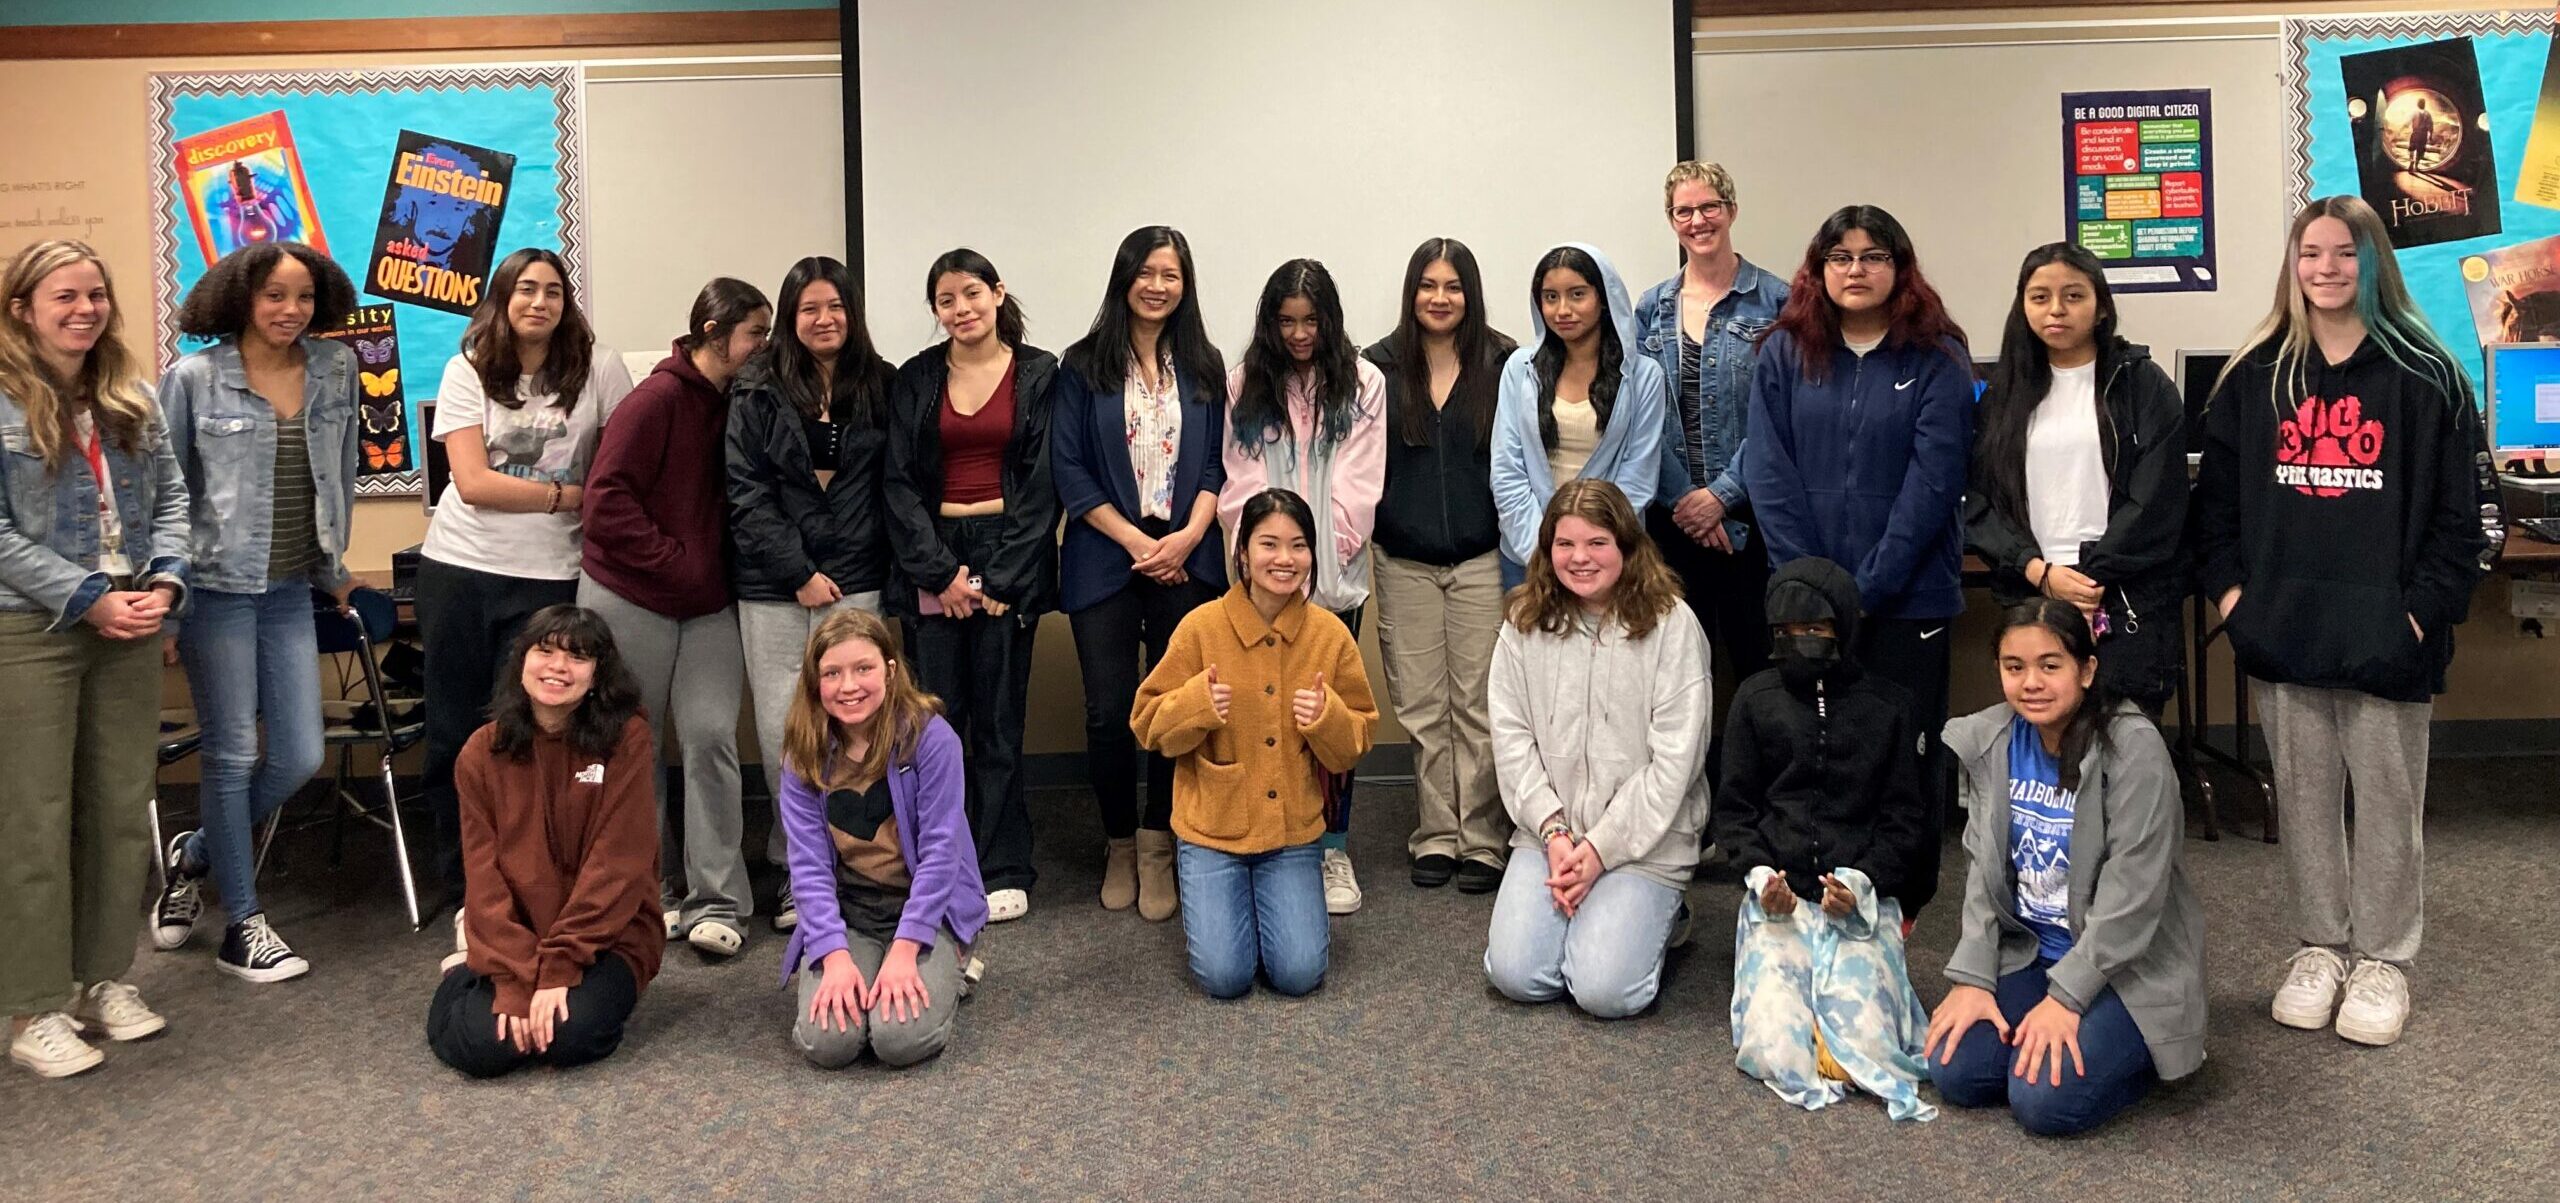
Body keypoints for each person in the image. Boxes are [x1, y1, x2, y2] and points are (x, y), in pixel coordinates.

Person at [2192, 196, 2497, 1047]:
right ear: (2292, 265)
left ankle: (2384, 958)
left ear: (2375, 263)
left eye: (2345, 253)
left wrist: (2416, 615)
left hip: (2386, 638)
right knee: (2306, 801)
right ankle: (2321, 946)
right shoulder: (2255, 374)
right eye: (2310, 254)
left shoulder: (2428, 372)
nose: (2326, 269)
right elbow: (2212, 510)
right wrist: (2234, 605)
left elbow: (2459, 520)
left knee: (2390, 805)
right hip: (2282, 632)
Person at [1745, 204, 1971, 914]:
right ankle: (1816, 890)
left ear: (1900, 268)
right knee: (1814, 747)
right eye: (1840, 256)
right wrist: (1812, 590)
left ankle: (1900, 900)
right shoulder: (1783, 352)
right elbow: (1768, 473)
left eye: (1873, 255)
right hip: (1807, 603)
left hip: (1910, 600)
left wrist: (1863, 590)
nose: (1856, 269)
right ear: (1818, 269)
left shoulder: (1938, 357)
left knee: (1903, 754)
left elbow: (1933, 485)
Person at [0, 240, 188, 1079]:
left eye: (96, 294)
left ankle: (101, 979)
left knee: (120, 807)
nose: (85, 308)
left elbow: (176, 501)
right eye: (65, 295)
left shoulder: (130, 394)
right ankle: (34, 1003)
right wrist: (85, 595)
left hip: (132, 618)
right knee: (35, 817)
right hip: (29, 628)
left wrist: (168, 584)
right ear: (22, 308)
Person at [152, 241, 363, 982]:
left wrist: (334, 567)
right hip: (213, 589)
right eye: (276, 295)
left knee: (301, 754)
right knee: (234, 753)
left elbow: (340, 471)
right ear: (243, 297)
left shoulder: (337, 368)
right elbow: (166, 494)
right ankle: (243, 920)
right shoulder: (194, 378)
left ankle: (196, 852)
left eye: (304, 296)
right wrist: (169, 608)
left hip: (287, 592)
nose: (291, 310)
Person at [1926, 600, 2206, 1134]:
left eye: (2050, 665)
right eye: (2014, 667)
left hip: (2124, 968)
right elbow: (1984, 878)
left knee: (2044, 1103)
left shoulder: (2134, 749)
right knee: (1955, 1070)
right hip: (2033, 954)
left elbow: (2134, 897)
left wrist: (2067, 999)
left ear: (2087, 669)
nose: (2031, 682)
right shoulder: (1995, 741)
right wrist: (1974, 979)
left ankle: (2149, 1051)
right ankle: (2069, 1045)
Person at [416, 247, 635, 918]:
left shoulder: (601, 371)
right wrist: (565, 497)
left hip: (550, 578)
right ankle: (465, 886)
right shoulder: (466, 369)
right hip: (460, 569)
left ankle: (539, 877)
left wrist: (584, 497)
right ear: (503, 300)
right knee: (457, 730)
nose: (539, 301)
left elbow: (623, 461)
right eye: (526, 290)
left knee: (541, 733)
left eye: (553, 291)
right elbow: (473, 482)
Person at [578, 277, 768, 946]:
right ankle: (647, 890)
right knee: (635, 742)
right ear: (714, 335)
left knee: (712, 735)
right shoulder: (654, 400)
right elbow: (604, 503)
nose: (763, 347)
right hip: (632, 595)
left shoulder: (741, 402)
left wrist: (702, 573)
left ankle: (717, 900)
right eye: (755, 335)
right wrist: (676, 562)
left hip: (707, 602)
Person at [1132, 489, 1377, 999]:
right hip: (1211, 833)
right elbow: (1146, 722)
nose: (1284, 560)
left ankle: (1273, 904)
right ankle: (1220, 894)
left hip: (1292, 834)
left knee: (1299, 975)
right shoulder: (1201, 628)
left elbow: (1358, 737)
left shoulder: (1330, 636)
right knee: (1224, 978)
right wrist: (1196, 705)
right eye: (1269, 544)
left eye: (1298, 546)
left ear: (1312, 554)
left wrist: (1327, 717)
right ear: (1242, 552)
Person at [1052, 226, 1227, 923]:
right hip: (1106, 556)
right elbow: (1068, 467)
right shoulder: (1082, 363)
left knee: (1179, 710)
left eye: (1172, 274)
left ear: (1186, 285)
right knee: (1108, 711)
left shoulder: (1205, 363)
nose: (1159, 285)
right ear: (1125, 277)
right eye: (1147, 271)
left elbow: (1217, 465)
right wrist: (1136, 540)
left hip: (1187, 557)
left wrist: (1184, 537)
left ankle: (1161, 841)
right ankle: (1119, 842)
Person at [1482, 479, 1708, 1020]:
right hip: (1551, 836)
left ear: (1627, 546)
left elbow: (1675, 765)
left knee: (1605, 993)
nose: (1580, 558)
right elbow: (1511, 741)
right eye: (1565, 544)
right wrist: (1555, 832)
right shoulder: (1523, 624)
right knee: (1516, 976)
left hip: (1643, 839)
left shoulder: (1671, 626)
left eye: (1597, 543)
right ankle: (1594, 915)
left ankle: (1664, 917)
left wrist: (1602, 849)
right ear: (1546, 550)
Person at [1719, 557, 1934, 1119]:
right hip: (1779, 899)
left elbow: (1905, 820)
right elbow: (1736, 810)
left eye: (1815, 630)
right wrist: (1763, 877)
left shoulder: (1890, 706)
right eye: (1786, 633)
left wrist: (1862, 883)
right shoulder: (1753, 698)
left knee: (1869, 1048)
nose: (1801, 641)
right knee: (1773, 1048)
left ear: (1843, 626)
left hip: (1857, 896)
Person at [725, 255, 897, 950]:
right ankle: (799, 872)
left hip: (857, 579)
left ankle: (852, 866)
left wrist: (837, 574)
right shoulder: (756, 387)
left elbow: (890, 484)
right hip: (772, 586)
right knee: (781, 733)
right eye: (809, 309)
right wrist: (797, 570)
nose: (824, 320)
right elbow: (745, 491)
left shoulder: (882, 384)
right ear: (790, 319)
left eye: (836, 307)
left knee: (852, 728)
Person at [884, 249, 1059, 922]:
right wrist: (942, 574)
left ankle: (1004, 861)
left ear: (997, 293)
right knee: (934, 721)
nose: (961, 309)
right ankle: (940, 859)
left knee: (998, 719)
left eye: (971, 294)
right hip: (935, 554)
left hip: (1008, 552)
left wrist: (1003, 578)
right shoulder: (917, 379)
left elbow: (1044, 485)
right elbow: (897, 483)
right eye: (946, 299)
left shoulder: (1040, 373)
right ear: (935, 310)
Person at [429, 606, 662, 1079]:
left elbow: (618, 866)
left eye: (577, 657)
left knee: (570, 1037)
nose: (558, 667)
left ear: (597, 676)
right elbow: (483, 875)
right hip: (515, 934)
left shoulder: (627, 740)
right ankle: (462, 974)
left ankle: (511, 976)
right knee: (484, 1050)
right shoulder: (480, 752)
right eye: (545, 651)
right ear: (522, 662)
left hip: (607, 936)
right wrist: (514, 977)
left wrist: (559, 966)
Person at [1218, 259, 1385, 916]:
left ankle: (1332, 846)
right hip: (1262, 584)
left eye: (1310, 320)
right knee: (1263, 713)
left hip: (1336, 583)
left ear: (1329, 319)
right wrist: (1270, 565)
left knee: (1329, 718)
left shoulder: (1363, 382)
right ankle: (1271, 838)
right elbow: (1241, 481)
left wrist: (1313, 564)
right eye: (1286, 321)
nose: (1298, 333)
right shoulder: (1244, 383)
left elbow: (1360, 485)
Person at [1964, 242, 2187, 712]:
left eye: (2073, 295)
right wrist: (2038, 572)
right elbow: (1979, 500)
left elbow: (2157, 501)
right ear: (2022, 306)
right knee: (2045, 752)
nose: (2056, 310)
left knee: (2125, 750)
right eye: (2040, 297)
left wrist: (2086, 580)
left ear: (2101, 307)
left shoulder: (2142, 385)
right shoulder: (2002, 395)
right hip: (2032, 593)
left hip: (2123, 597)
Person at [1364, 238, 1517, 893]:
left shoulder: (1507, 362)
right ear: (1412, 290)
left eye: (1453, 285)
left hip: (1483, 560)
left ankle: (1482, 839)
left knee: (1480, 705)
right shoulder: (1377, 367)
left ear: (1470, 292)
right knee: (1423, 707)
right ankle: (1436, 833)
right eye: (1428, 284)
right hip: (1404, 560)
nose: (1440, 297)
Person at [774, 609, 986, 1069]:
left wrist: (907, 947)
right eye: (832, 673)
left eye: (863, 669)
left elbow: (940, 854)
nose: (849, 686)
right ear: (815, 683)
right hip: (852, 910)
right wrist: (832, 955)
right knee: (828, 1044)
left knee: (899, 1041)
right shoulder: (802, 755)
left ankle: (953, 964)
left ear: (890, 671)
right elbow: (808, 867)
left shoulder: (932, 739)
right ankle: (873, 967)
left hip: (928, 907)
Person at [1633, 161, 1789, 714]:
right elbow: (1640, 417)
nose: (1697, 220)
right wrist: (1687, 504)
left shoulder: (1776, 302)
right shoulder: (1651, 309)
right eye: (1684, 211)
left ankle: (1765, 797)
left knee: (1761, 670)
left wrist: (1721, 497)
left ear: (1731, 211)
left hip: (1756, 520)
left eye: (1709, 208)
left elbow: (1783, 415)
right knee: (1675, 680)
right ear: (1671, 220)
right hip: (1674, 526)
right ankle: (1688, 797)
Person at [1492, 243, 1666, 590]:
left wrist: (1588, 552)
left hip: (1613, 558)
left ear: (1603, 299)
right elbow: (1507, 471)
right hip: (1529, 557)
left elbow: (1638, 477)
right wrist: (1545, 554)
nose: (1563, 310)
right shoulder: (1520, 370)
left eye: (1577, 295)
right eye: (1550, 297)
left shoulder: (1644, 376)